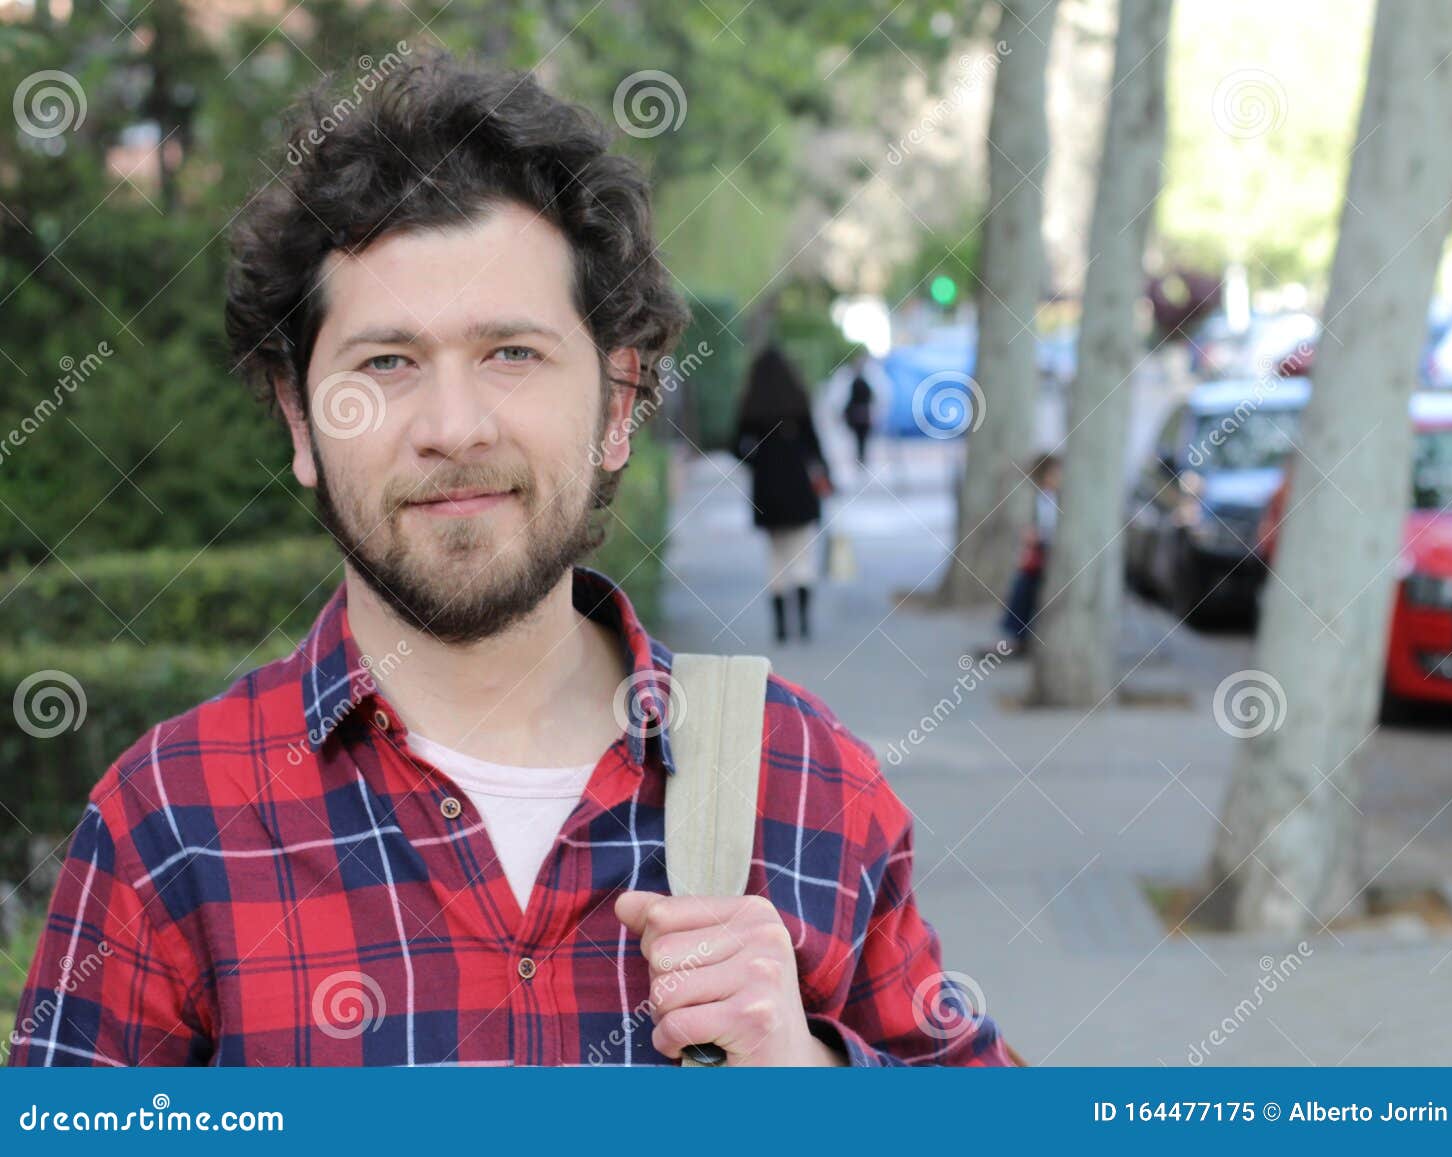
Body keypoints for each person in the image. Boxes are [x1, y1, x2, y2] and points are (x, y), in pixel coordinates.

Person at [8, 51, 1009, 1068]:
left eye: (512, 354)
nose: (455, 427)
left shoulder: (805, 781)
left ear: (617, 405)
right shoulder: (168, 824)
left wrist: (815, 1078)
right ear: (301, 420)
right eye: (386, 362)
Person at [733, 344, 831, 644]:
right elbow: (815, 445)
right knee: (802, 554)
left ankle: (780, 628)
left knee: (775, 556)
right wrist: (827, 477)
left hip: (767, 489)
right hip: (799, 486)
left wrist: (757, 463)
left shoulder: (752, 405)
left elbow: (735, 446)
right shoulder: (798, 401)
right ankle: (803, 622)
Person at [998, 452, 1062, 655]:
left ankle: (1019, 636)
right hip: (1042, 552)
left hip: (1051, 553)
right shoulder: (1042, 498)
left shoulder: (1056, 499)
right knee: (1023, 583)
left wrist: (1039, 536)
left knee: (1026, 584)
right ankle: (1017, 634)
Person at [841, 361, 875, 469]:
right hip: (863, 416)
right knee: (862, 440)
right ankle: (862, 458)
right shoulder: (865, 384)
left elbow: (851, 400)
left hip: (857, 416)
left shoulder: (855, 384)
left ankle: (861, 458)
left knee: (859, 440)